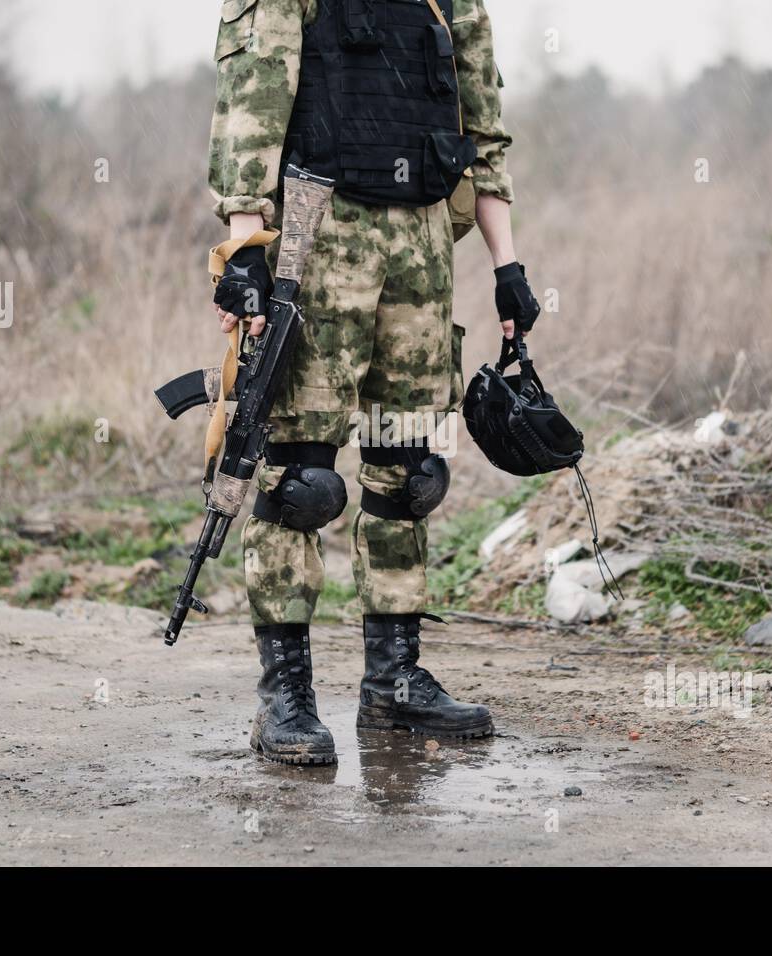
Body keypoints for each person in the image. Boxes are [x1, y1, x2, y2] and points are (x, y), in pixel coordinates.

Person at [208, 0, 541, 765]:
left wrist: (508, 266)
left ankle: (393, 684)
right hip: (317, 229)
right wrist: (245, 250)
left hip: (422, 237)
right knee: (301, 481)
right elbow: (252, 102)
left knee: (411, 470)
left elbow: (484, 131)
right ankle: (284, 698)